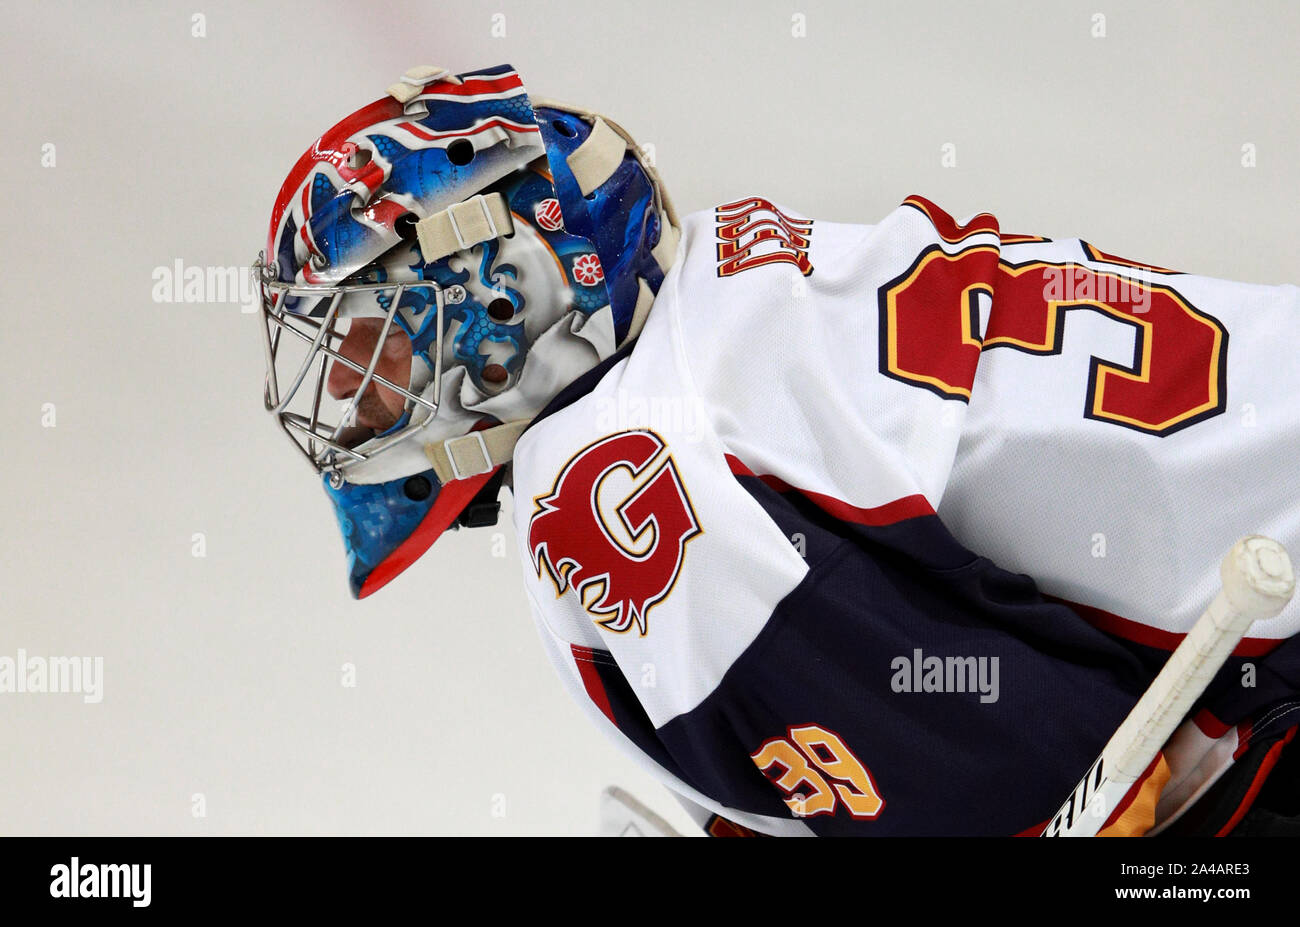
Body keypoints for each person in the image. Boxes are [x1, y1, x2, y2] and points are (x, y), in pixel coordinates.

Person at [254, 62, 1300, 836]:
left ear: (499, 289)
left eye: (371, 345)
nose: (348, 400)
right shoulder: (740, 278)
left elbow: (1081, 788)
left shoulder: (606, 478)